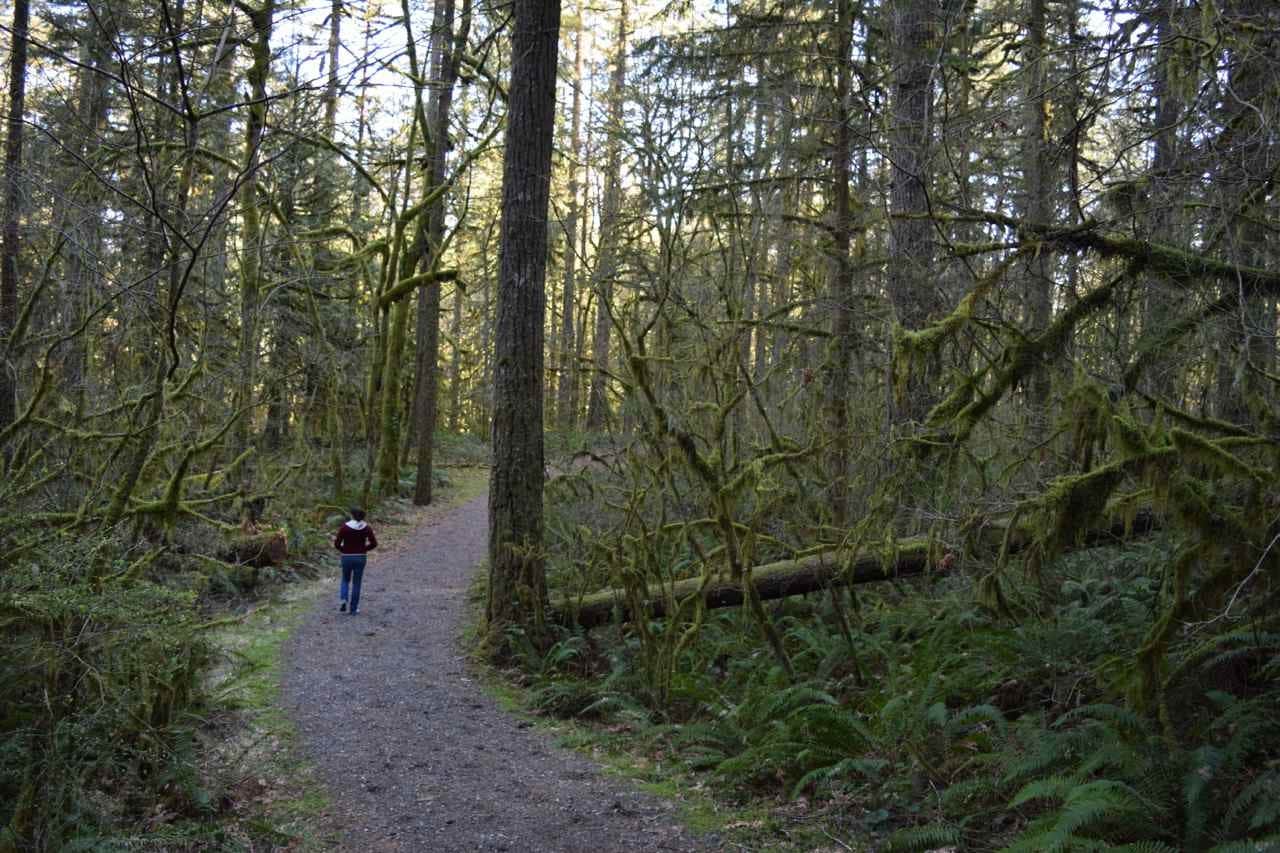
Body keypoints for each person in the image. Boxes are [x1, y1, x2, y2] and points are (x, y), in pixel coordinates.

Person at [334, 507, 378, 614]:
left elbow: (337, 544)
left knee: (345, 579)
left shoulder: (345, 527)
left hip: (346, 558)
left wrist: (344, 550)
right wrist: (364, 549)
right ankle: (353, 609)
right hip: (360, 557)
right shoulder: (366, 527)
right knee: (356, 583)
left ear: (352, 515)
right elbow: (374, 543)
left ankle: (344, 599)